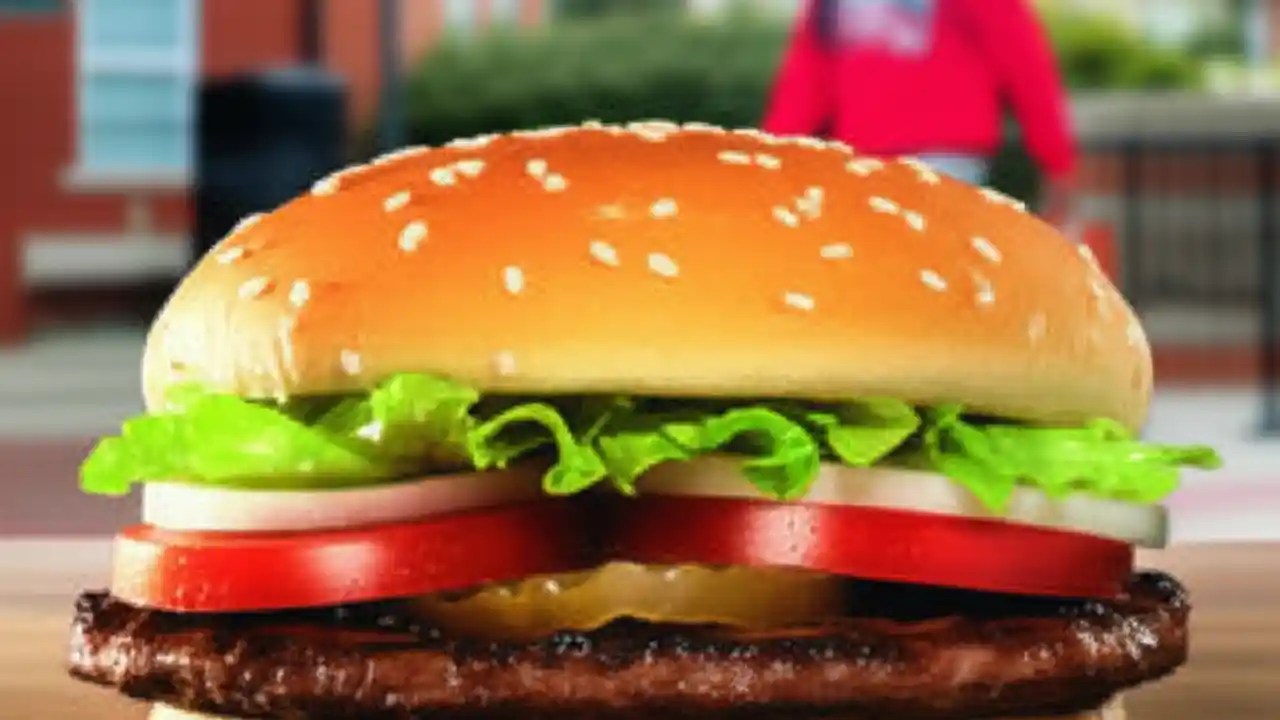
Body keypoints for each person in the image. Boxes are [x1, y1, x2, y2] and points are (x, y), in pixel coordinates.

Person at [762, 0, 1077, 226]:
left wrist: (1055, 157)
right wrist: (768, 159)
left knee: (926, 266)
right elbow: (807, 80)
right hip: (864, 159)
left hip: (944, 156)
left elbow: (1020, 60)